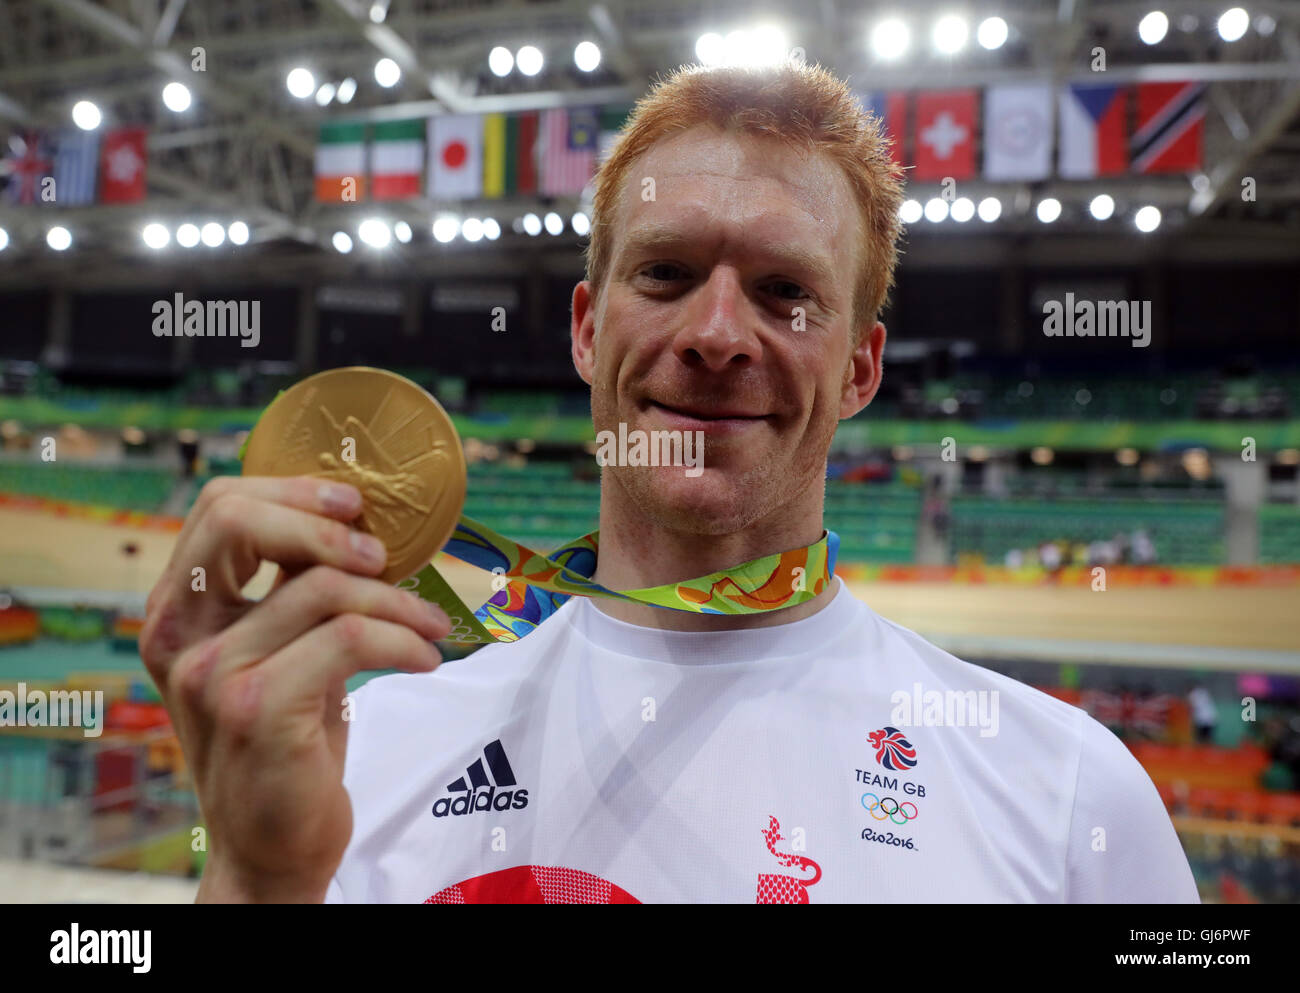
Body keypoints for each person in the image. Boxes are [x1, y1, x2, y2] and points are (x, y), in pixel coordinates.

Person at [140, 61, 1198, 903]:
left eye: (784, 293)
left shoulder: (1066, 796)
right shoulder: (360, 755)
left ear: (861, 368)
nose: (716, 334)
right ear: (588, 328)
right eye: (666, 274)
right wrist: (257, 881)